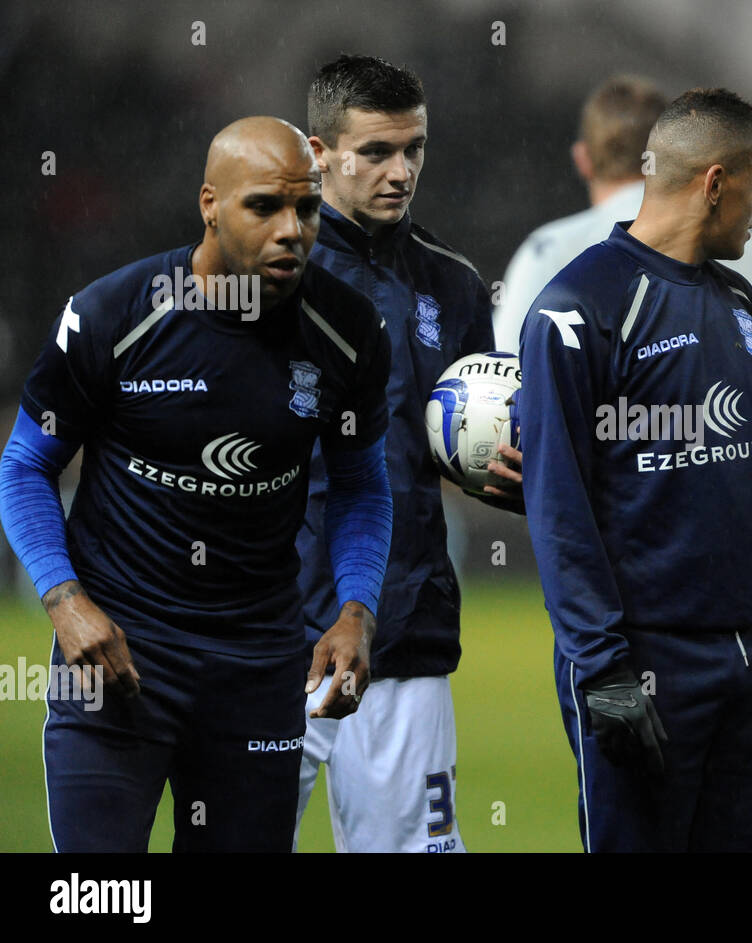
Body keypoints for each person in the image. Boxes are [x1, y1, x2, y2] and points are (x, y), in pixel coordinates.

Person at [0, 116, 393, 852]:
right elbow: (25, 464)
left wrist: (356, 609)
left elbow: (361, 486)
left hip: (258, 662)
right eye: (264, 206)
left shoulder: (349, 332)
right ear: (209, 203)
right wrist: (64, 600)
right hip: (118, 656)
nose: (292, 230)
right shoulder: (110, 315)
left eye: (306, 209)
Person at [519, 87, 752, 853]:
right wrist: (603, 666)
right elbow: (556, 503)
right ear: (714, 183)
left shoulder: (739, 301)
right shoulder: (576, 309)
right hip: (644, 664)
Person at [293, 54, 521, 854]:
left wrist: (515, 481)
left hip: (400, 631)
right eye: (377, 152)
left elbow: (469, 455)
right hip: (268, 631)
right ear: (319, 153)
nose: (402, 171)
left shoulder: (454, 285)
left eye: (414, 149)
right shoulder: (265, 276)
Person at [498, 75, 752, 507]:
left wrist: (557, 487)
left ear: (583, 160)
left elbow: (504, 393)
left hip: (610, 536)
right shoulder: (750, 250)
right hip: (719, 532)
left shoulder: (547, 251)